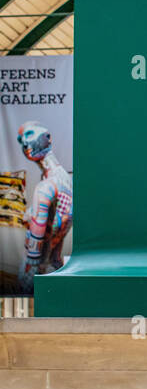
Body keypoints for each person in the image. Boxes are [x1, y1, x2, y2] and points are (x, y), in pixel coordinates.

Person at [16, 122, 72, 292]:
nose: (25, 144)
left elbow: (35, 250)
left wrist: (30, 268)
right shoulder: (65, 179)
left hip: (38, 270)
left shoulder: (46, 187)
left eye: (29, 136)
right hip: (54, 265)